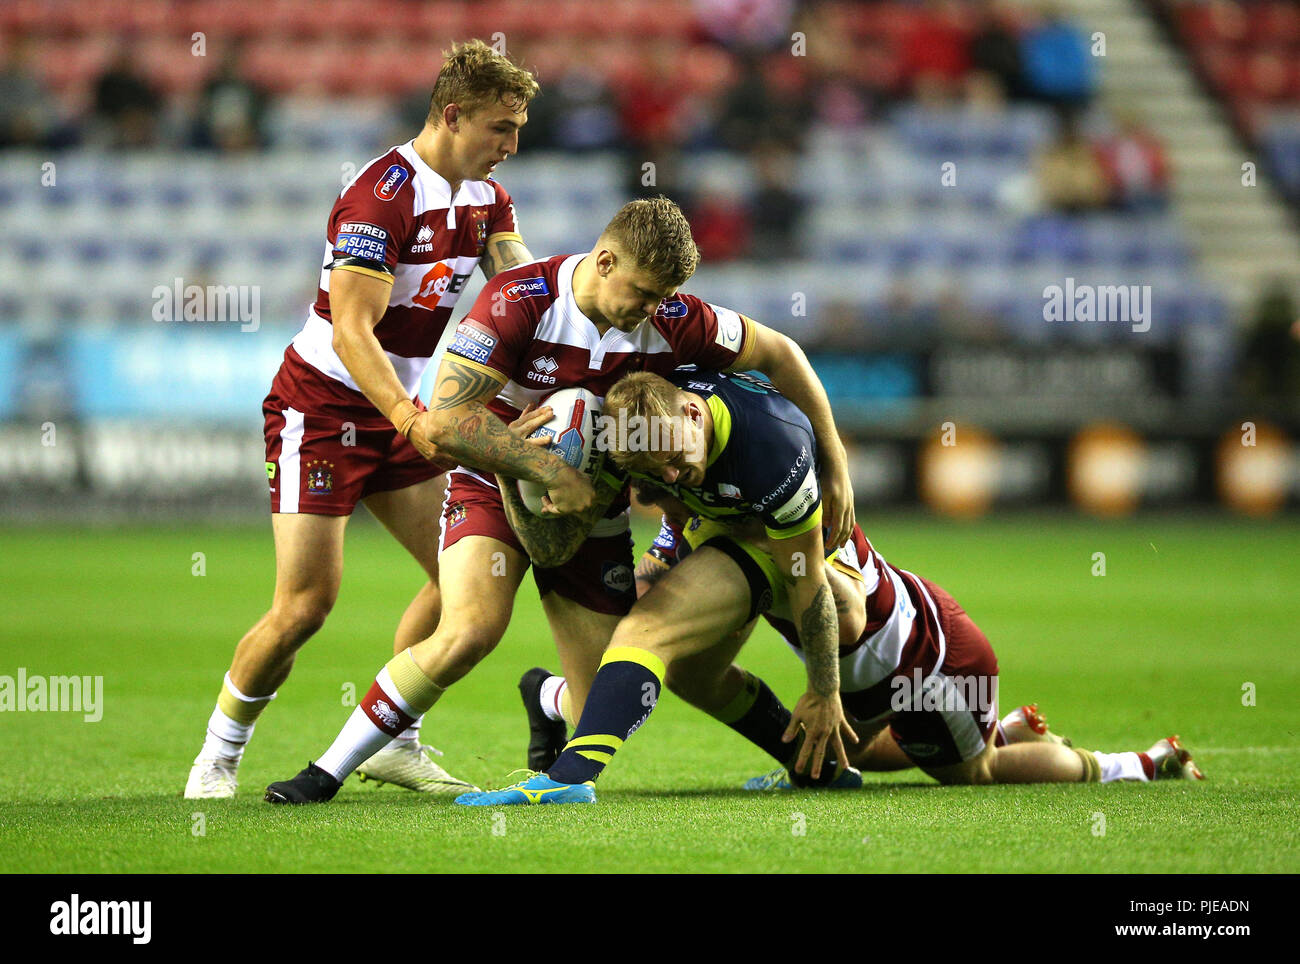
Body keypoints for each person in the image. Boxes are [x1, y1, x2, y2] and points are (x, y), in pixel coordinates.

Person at [261, 198, 858, 804]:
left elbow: (782, 354)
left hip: (594, 503)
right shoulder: (519, 300)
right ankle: (325, 771)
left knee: (605, 696)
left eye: (663, 297)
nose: (652, 310)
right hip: (496, 475)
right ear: (606, 261)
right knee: (470, 630)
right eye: (644, 293)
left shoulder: (678, 318)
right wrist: (544, 468)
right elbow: (444, 420)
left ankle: (545, 698)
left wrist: (832, 459)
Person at [458, 369, 1203, 806]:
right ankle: (819, 760)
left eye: (678, 463)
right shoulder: (658, 436)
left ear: (691, 413)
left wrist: (822, 689)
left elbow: (816, 594)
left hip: (924, 656)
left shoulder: (771, 451)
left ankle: (1133, 762)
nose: (673, 477)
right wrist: (514, 471)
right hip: (843, 638)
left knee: (975, 771)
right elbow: (650, 522)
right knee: (692, 668)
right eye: (659, 475)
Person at [184, 40, 540, 800]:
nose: (512, 145)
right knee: (305, 607)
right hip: (321, 407)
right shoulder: (381, 198)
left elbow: (523, 290)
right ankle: (217, 756)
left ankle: (394, 743)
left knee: (461, 578)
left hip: (402, 412)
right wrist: (412, 419)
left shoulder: (488, 200)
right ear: (453, 115)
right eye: (501, 128)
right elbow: (351, 332)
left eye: (517, 130)